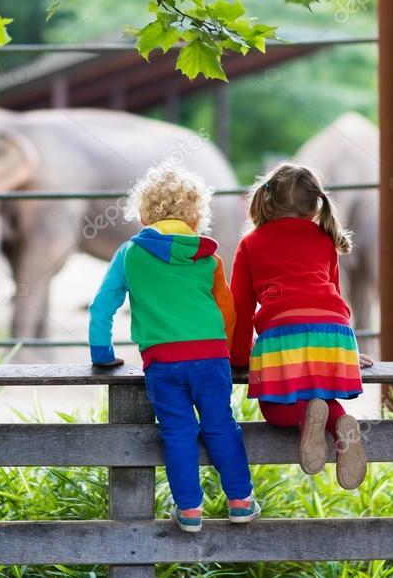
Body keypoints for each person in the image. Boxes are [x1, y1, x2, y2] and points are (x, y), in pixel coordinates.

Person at [88, 165, 258, 532]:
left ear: (145, 212)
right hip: (212, 359)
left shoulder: (130, 253)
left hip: (163, 362)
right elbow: (228, 308)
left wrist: (102, 354)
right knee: (221, 426)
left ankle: (190, 510)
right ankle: (241, 502)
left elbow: (102, 305)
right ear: (196, 215)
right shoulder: (208, 257)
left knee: (177, 431)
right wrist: (226, 350)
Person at [230, 162, 373, 490]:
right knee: (322, 398)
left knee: (275, 409)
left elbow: (240, 307)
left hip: (283, 334)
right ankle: (340, 425)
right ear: (314, 205)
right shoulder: (325, 240)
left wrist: (239, 357)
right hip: (335, 336)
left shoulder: (251, 244)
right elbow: (332, 298)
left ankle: (303, 417)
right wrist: (349, 353)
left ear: (266, 200)